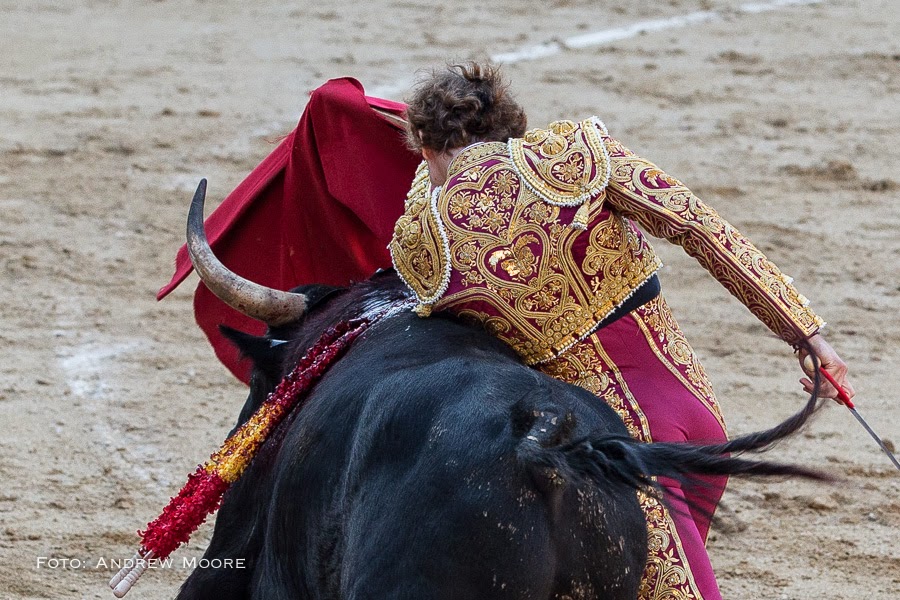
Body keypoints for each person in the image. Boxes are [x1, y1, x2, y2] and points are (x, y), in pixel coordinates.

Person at [388, 62, 853, 600]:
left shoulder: (426, 243)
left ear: (424, 143)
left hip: (620, 457)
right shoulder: (575, 153)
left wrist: (431, 166)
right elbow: (700, 228)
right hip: (697, 418)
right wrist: (805, 332)